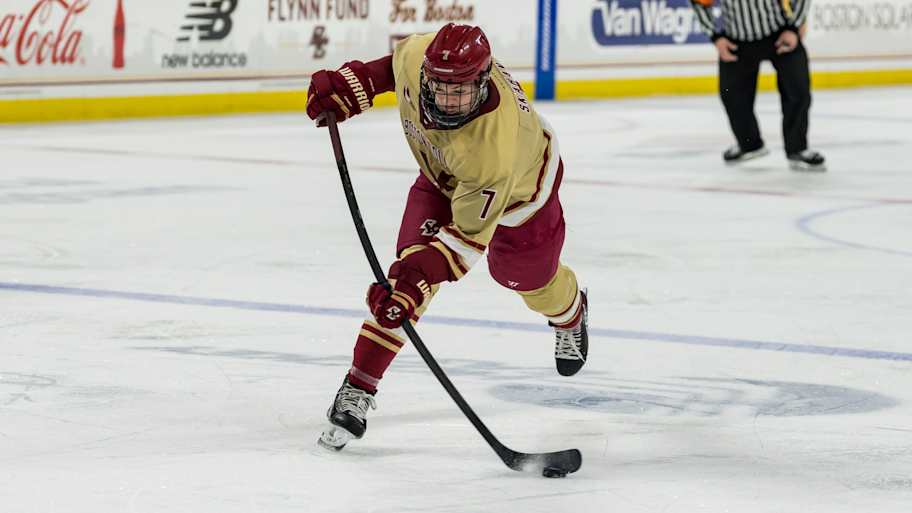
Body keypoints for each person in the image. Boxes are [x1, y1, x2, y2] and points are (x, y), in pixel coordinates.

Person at [305, 23, 589, 451]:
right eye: (438, 87)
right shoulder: (420, 55)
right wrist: (352, 84)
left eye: (459, 91)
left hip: (522, 194)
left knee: (526, 281)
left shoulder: (491, 149)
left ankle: (570, 312)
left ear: (482, 82)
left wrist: (418, 273)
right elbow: (387, 71)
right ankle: (358, 389)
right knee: (404, 290)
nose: (445, 100)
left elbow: (461, 243)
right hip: (443, 180)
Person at [691, 0, 826, 171]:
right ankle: (749, 144)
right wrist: (715, 36)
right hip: (737, 39)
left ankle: (798, 148)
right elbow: (699, 2)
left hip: (779, 32)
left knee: (797, 88)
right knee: (730, 94)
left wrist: (793, 27)